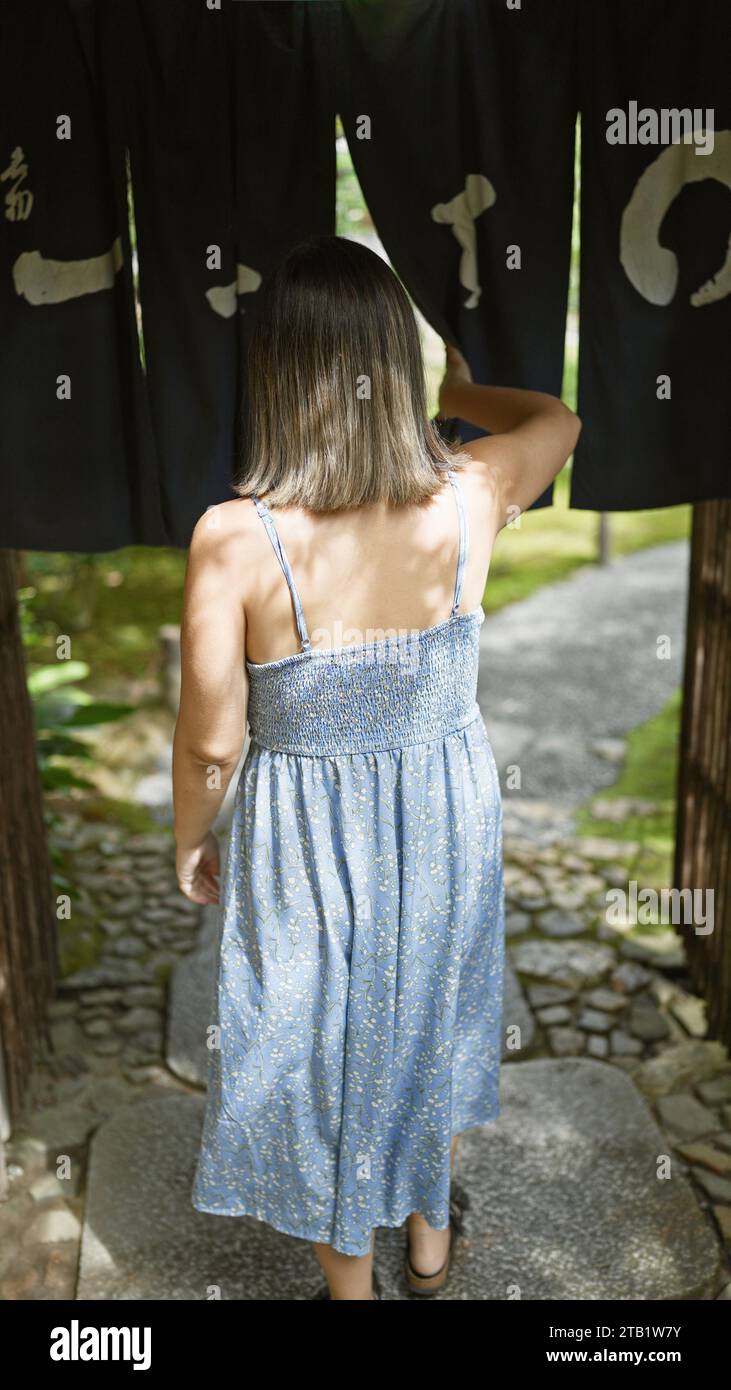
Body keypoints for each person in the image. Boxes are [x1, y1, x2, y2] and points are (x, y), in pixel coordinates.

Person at [172, 234, 581, 1301]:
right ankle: (430, 1249)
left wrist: (190, 838)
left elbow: (211, 738)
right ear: (390, 364)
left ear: (279, 371)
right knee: (429, 1013)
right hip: (443, 808)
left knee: (315, 1049)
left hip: (305, 834)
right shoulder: (472, 490)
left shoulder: (235, 538)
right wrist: (460, 394)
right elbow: (559, 419)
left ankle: (351, 1296)